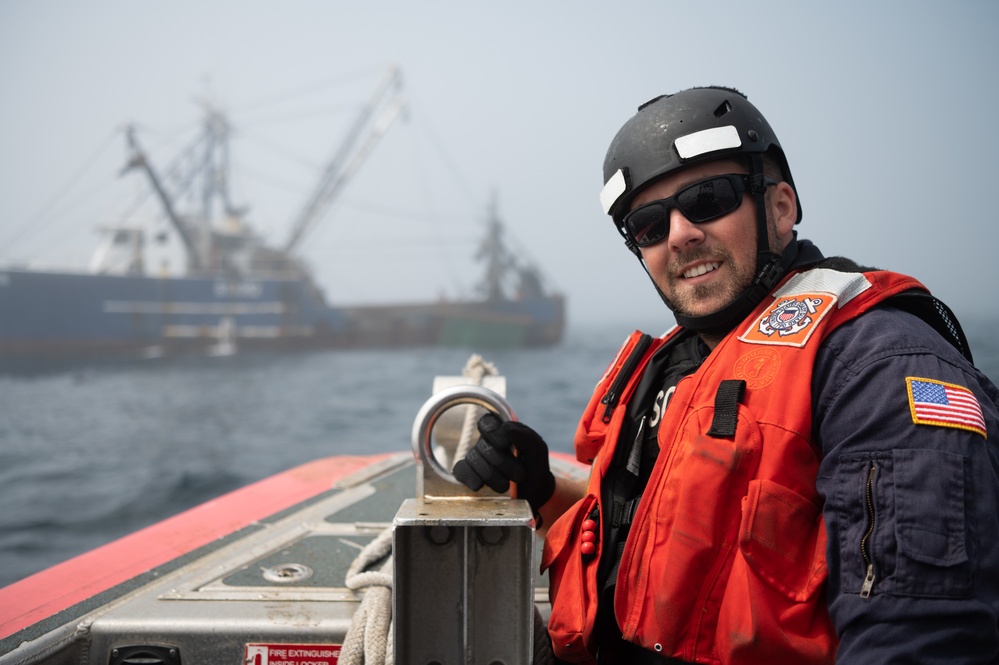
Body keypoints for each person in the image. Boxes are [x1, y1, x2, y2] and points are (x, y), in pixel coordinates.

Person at [453, 86, 999, 664]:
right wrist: (543, 490)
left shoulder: (876, 367)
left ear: (781, 208)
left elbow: (921, 634)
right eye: (648, 224)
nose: (681, 234)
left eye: (708, 199)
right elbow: (662, 541)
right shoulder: (671, 366)